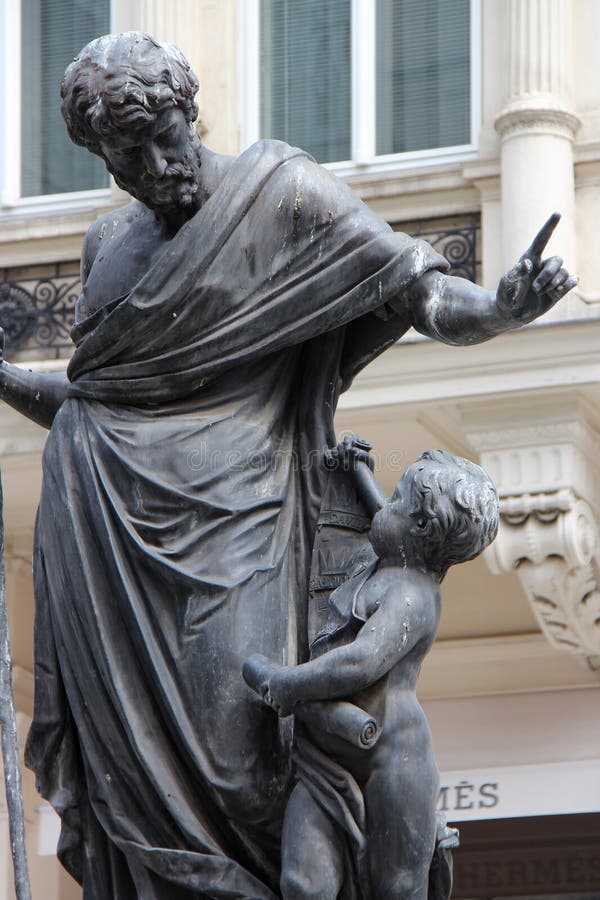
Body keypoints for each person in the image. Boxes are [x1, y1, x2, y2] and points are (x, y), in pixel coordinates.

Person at [0, 31, 577, 899]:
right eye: (131, 156)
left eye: (169, 136)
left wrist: (498, 308)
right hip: (105, 541)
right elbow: (92, 401)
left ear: (192, 112)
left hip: (244, 523)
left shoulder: (282, 193)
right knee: (130, 786)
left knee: (247, 761)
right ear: (105, 163)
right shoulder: (107, 250)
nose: (161, 165)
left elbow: (415, 290)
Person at [244, 449, 499, 900]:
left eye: (398, 500)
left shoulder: (412, 596)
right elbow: (384, 516)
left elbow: (360, 662)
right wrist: (357, 468)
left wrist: (288, 683)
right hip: (326, 756)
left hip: (392, 764)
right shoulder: (393, 556)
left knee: (398, 888)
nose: (384, 507)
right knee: (303, 885)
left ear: (420, 530)